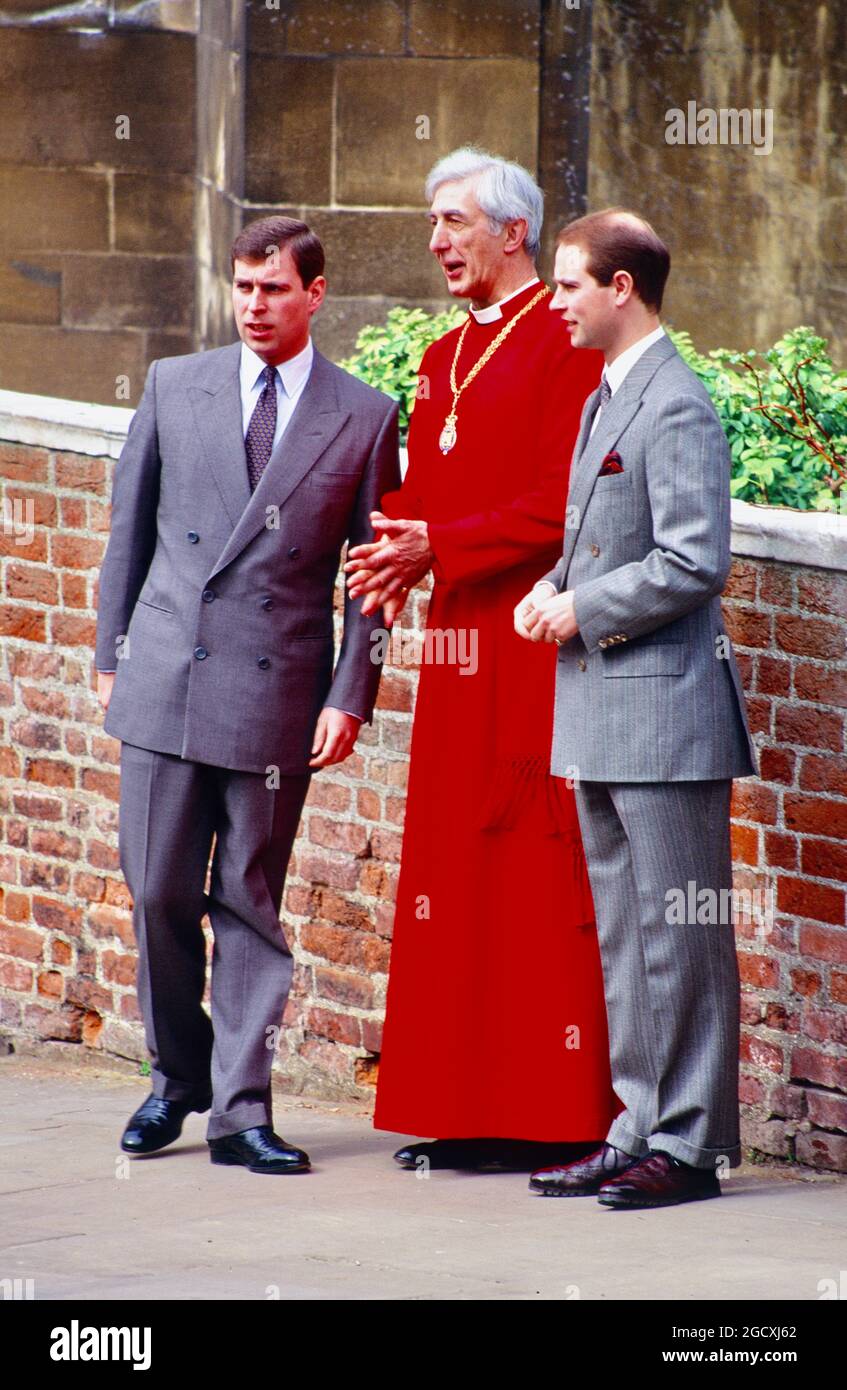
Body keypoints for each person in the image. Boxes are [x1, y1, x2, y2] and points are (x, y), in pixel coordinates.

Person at [95, 215, 400, 1174]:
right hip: (165, 683)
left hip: (278, 696)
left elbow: (374, 577)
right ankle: (175, 1079)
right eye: (243, 287)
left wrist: (351, 693)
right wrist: (111, 650)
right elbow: (127, 530)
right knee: (155, 893)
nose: (255, 306)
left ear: (315, 294)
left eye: (274, 288)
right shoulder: (171, 385)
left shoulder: (364, 413)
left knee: (249, 903)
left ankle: (241, 1112)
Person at [344, 148, 621, 1172]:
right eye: (431, 222)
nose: (436, 240)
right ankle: (460, 1105)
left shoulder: (563, 341)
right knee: (449, 876)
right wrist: (395, 546)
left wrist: (437, 545)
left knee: (536, 876)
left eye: (455, 221)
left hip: (535, 641)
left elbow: (565, 502)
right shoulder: (436, 356)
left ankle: (553, 1115)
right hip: (454, 649)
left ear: (513, 232)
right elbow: (425, 493)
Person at [516, 208, 759, 1208]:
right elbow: (608, 542)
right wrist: (552, 587)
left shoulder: (677, 403)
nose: (555, 301)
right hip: (606, 708)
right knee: (626, 936)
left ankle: (692, 1147)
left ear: (621, 287)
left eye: (569, 284)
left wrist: (582, 606)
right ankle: (635, 1128)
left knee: (682, 933)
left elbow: (695, 558)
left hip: (666, 716)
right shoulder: (606, 394)